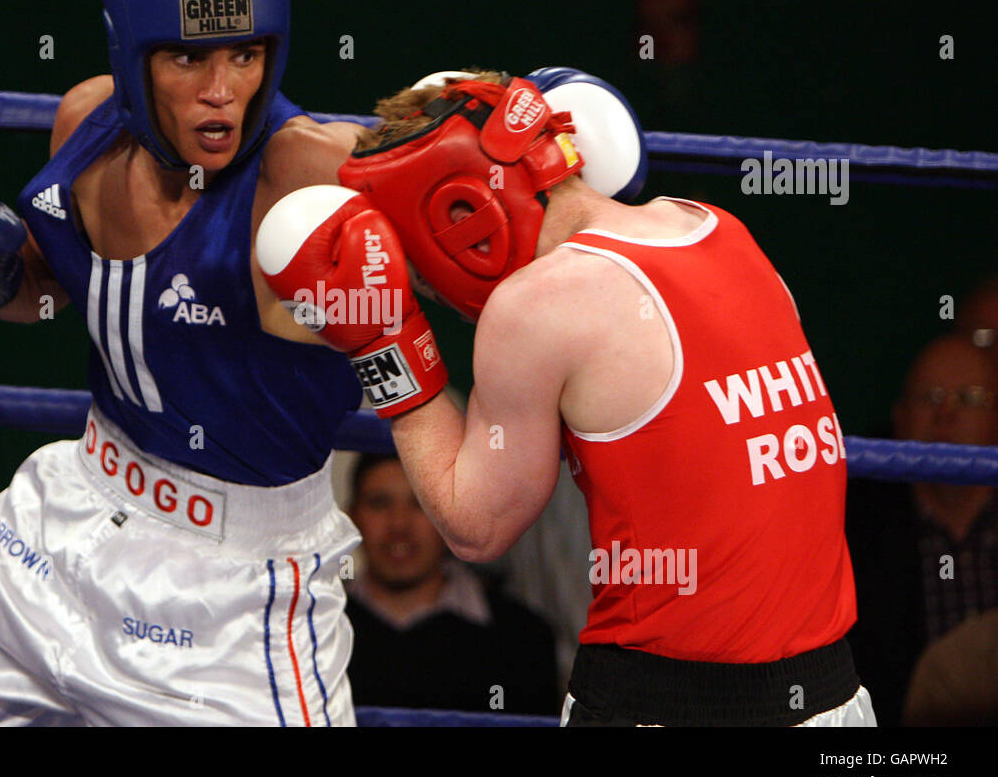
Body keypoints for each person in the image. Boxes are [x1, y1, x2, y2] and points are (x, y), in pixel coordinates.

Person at [0, 0, 369, 726]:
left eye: (245, 52)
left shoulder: (302, 169)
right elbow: (58, 287)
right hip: (66, 520)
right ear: (134, 60)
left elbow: (448, 211)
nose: (223, 87)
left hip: (231, 589)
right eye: (189, 56)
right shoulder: (87, 127)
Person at [259, 68, 875, 726]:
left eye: (415, 265)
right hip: (834, 695)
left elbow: (478, 526)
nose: (429, 291)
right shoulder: (719, 228)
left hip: (660, 703)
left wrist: (387, 340)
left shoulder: (537, 305)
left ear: (461, 213)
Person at [845, 333, 998, 725]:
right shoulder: (856, 532)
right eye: (930, 397)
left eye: (969, 398)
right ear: (899, 418)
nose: (946, 413)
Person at [344, 452, 560, 715]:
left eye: (420, 503)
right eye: (379, 503)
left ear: (451, 514)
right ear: (351, 517)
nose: (398, 524)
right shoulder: (313, 632)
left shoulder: (524, 639)